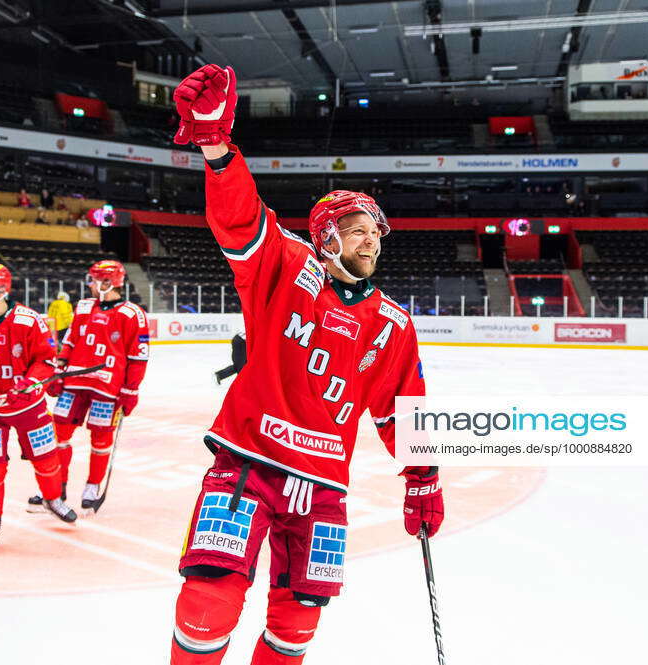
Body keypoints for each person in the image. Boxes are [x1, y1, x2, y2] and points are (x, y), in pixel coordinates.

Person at [167, 64, 441, 665]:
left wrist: (423, 478)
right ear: (326, 235)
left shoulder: (393, 324)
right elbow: (239, 219)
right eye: (358, 229)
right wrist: (216, 147)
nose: (372, 240)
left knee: (297, 622)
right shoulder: (287, 267)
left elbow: (405, 409)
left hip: (323, 489)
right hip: (249, 464)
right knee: (207, 602)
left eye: (376, 232)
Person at [0, 264, 76, 547]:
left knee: (46, 457)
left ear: (1, 290)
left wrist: (27, 385)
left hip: (29, 406)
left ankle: (52, 500)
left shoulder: (28, 320)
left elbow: (45, 359)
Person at [31, 261, 148, 512]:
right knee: (57, 434)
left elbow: (138, 356)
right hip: (74, 382)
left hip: (108, 386)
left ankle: (92, 485)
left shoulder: (132, 314)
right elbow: (71, 339)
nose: (90, 285)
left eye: (95, 280)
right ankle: (56, 489)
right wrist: (59, 369)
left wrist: (131, 389)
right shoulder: (83, 306)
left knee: (101, 437)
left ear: (109, 282)